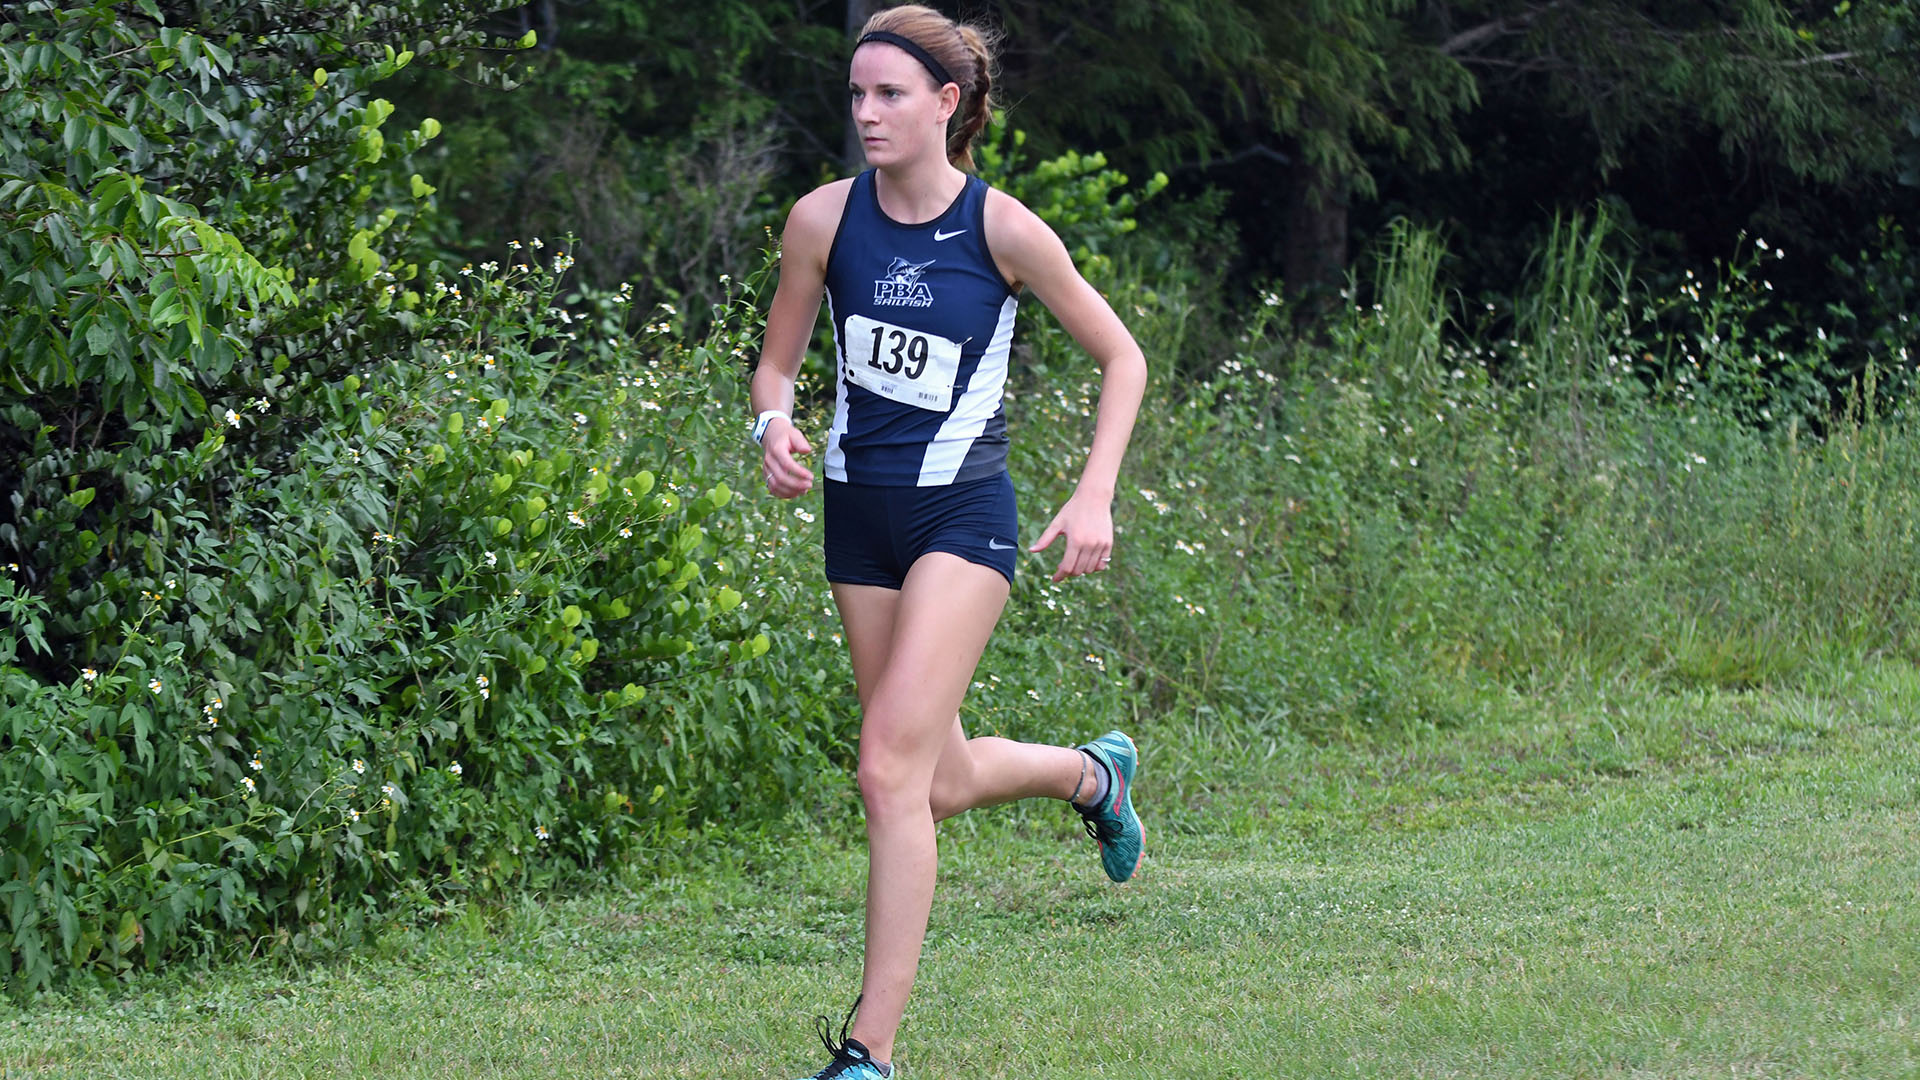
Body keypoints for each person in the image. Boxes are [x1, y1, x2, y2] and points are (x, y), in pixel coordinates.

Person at [749, 6, 1149, 1077]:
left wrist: (1096, 492)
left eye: (889, 94)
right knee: (937, 777)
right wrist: (772, 423)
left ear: (948, 104)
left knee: (886, 769)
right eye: (855, 94)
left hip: (961, 522)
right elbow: (777, 365)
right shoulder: (822, 222)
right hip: (856, 519)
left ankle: (867, 1054)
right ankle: (1091, 777)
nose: (867, 113)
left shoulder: (1004, 231)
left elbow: (1123, 358)